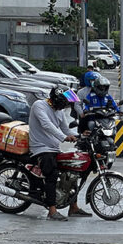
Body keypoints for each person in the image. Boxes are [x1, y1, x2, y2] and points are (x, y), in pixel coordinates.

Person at [29, 86, 91, 221]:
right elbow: (46, 125)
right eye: (65, 103)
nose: (66, 106)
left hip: (54, 148)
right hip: (41, 148)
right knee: (52, 174)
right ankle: (52, 210)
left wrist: (80, 135)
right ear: (58, 100)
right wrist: (63, 137)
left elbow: (65, 128)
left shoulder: (59, 111)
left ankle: (73, 207)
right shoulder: (39, 105)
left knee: (72, 171)